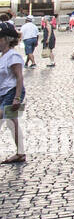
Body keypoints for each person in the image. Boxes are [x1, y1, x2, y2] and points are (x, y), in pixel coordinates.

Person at [0, 22, 26, 165]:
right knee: (12, 123)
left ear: (6, 39)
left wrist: (17, 97)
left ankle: (20, 153)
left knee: (11, 122)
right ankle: (20, 153)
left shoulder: (13, 56)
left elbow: (19, 77)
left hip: (12, 92)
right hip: (3, 93)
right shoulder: (2, 56)